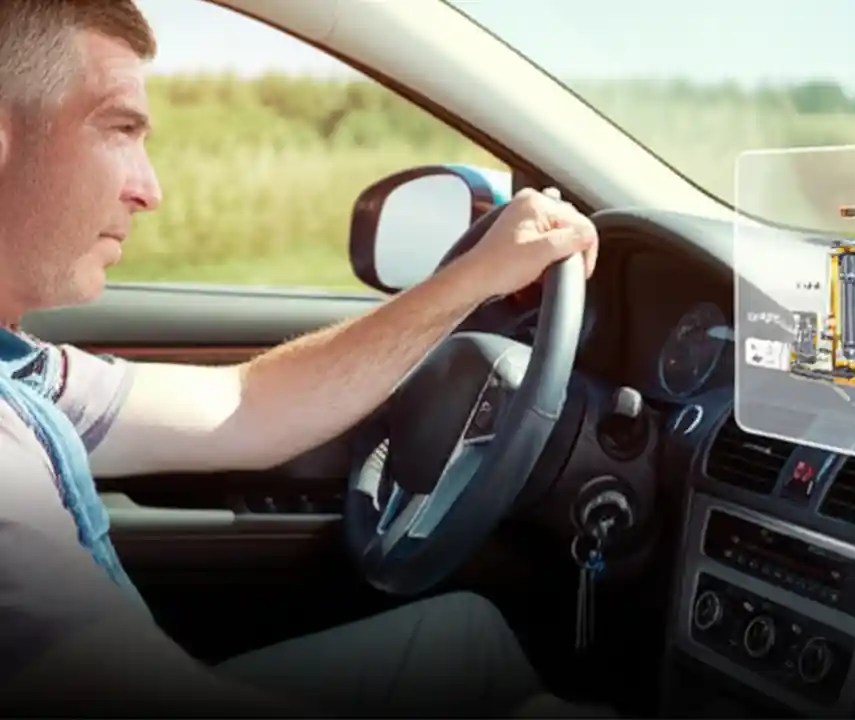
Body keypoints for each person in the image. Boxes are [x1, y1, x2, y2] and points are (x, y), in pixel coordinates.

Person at [0, 0, 604, 716]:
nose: (150, 190)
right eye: (120, 129)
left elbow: (244, 406)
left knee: (465, 636)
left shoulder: (18, 370)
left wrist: (473, 281)